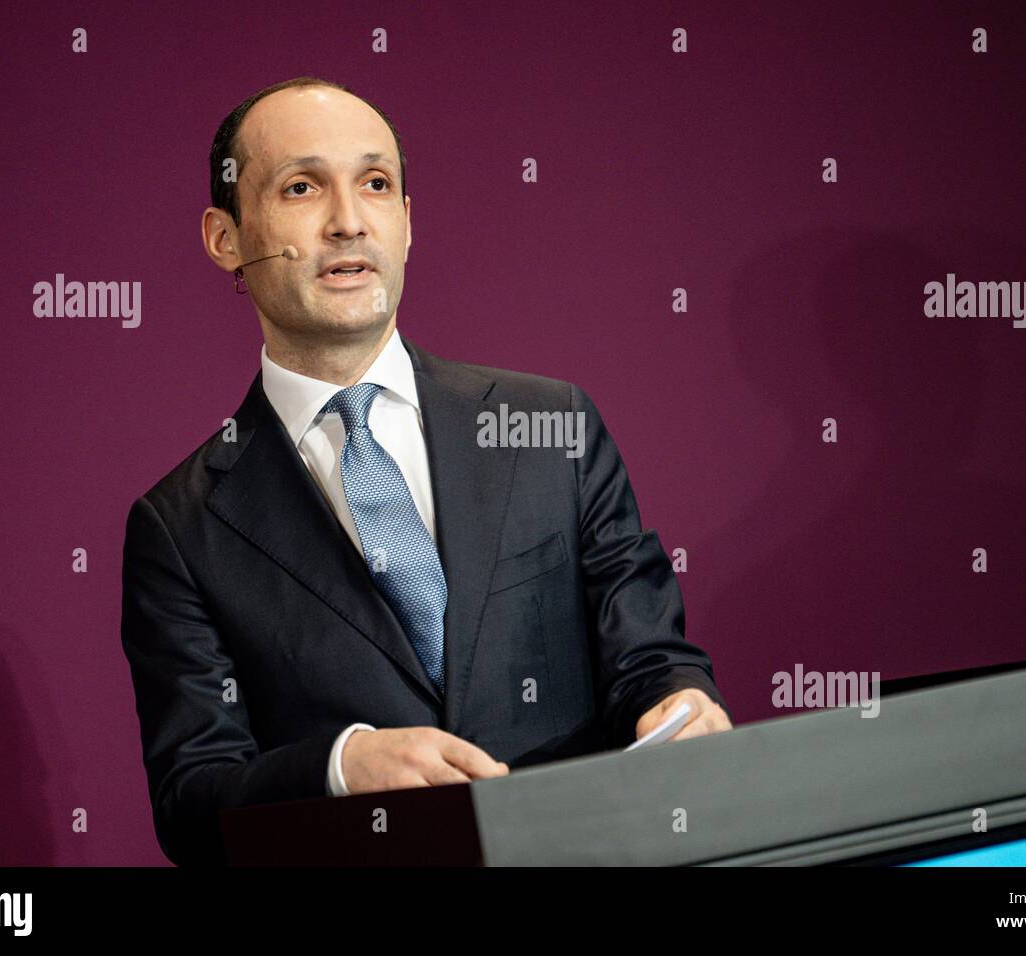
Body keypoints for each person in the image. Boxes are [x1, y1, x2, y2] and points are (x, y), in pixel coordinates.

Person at [120, 76, 732, 866]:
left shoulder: (551, 426)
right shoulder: (180, 527)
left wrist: (678, 702)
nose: (348, 222)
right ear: (225, 237)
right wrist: (344, 766)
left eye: (376, 185)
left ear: (406, 224)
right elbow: (193, 803)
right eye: (302, 187)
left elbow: (649, 656)